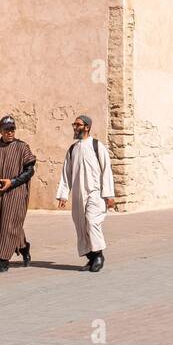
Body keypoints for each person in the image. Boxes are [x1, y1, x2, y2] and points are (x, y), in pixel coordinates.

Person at [56, 114, 116, 271]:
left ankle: (99, 256)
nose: (75, 127)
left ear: (87, 127)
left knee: (92, 221)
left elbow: (106, 171)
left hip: (94, 192)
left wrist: (109, 195)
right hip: (78, 193)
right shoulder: (72, 149)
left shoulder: (97, 146)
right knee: (81, 225)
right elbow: (66, 173)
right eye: (74, 124)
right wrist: (63, 194)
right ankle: (91, 258)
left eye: (78, 124)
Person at [0, 115, 36, 273]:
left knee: (9, 223)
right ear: (0, 130)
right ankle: (24, 247)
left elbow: (30, 171)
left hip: (17, 191)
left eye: (12, 129)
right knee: (7, 223)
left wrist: (12, 182)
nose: (10, 132)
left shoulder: (22, 147)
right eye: (6, 129)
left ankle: (3, 262)